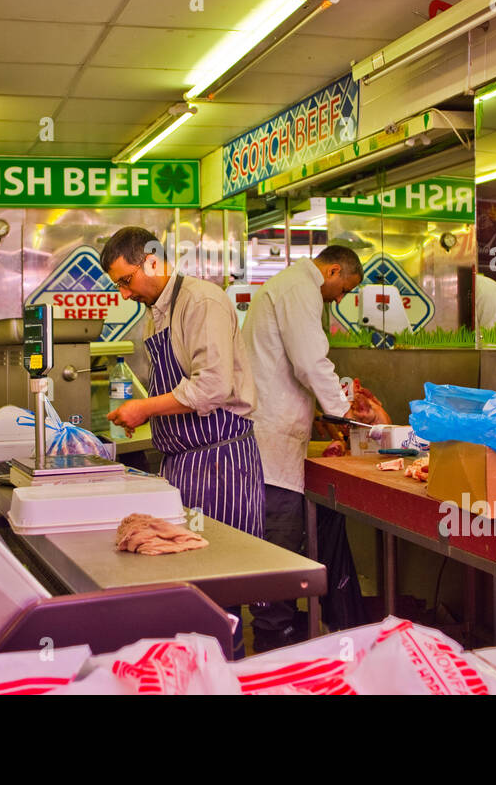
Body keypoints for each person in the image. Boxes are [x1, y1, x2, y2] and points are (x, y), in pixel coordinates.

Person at [101, 226, 264, 656]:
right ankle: (192, 672)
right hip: (184, 466)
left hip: (220, 465)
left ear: (151, 261)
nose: (124, 293)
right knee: (187, 581)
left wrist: (146, 409)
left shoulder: (202, 302)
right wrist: (147, 411)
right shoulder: (158, 309)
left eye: (126, 281)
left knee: (217, 583)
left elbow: (211, 386)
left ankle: (227, 672)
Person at [241, 245, 373, 651]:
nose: (340, 299)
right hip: (271, 448)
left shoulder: (286, 287)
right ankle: (273, 649)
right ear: (332, 270)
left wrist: (327, 414)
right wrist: (345, 413)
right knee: (279, 552)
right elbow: (311, 363)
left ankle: (274, 635)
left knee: (275, 552)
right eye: (344, 289)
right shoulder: (300, 289)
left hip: (270, 440)